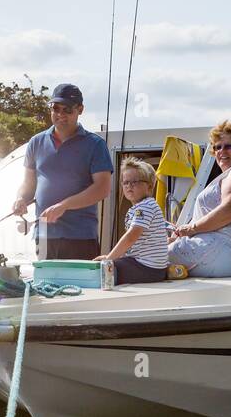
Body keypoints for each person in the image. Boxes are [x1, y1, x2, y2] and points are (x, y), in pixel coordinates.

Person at [12, 83, 114, 260]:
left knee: (81, 288)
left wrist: (64, 206)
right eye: (55, 108)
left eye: (67, 109)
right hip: (44, 237)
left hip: (80, 237)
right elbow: (28, 185)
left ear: (80, 109)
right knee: (46, 287)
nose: (60, 114)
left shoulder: (96, 145)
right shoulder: (36, 142)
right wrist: (20, 198)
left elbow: (102, 189)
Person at [168, 120, 231, 277]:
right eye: (217, 147)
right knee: (159, 250)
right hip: (229, 255)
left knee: (149, 256)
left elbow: (228, 211)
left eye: (228, 146)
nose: (222, 151)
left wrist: (190, 229)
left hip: (225, 251)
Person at [96, 158, 169, 284]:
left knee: (102, 271)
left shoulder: (145, 207)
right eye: (125, 182)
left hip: (148, 268)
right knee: (110, 263)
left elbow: (131, 237)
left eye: (135, 182)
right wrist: (111, 257)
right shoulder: (143, 207)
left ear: (150, 186)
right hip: (149, 267)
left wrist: (109, 259)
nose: (129, 186)